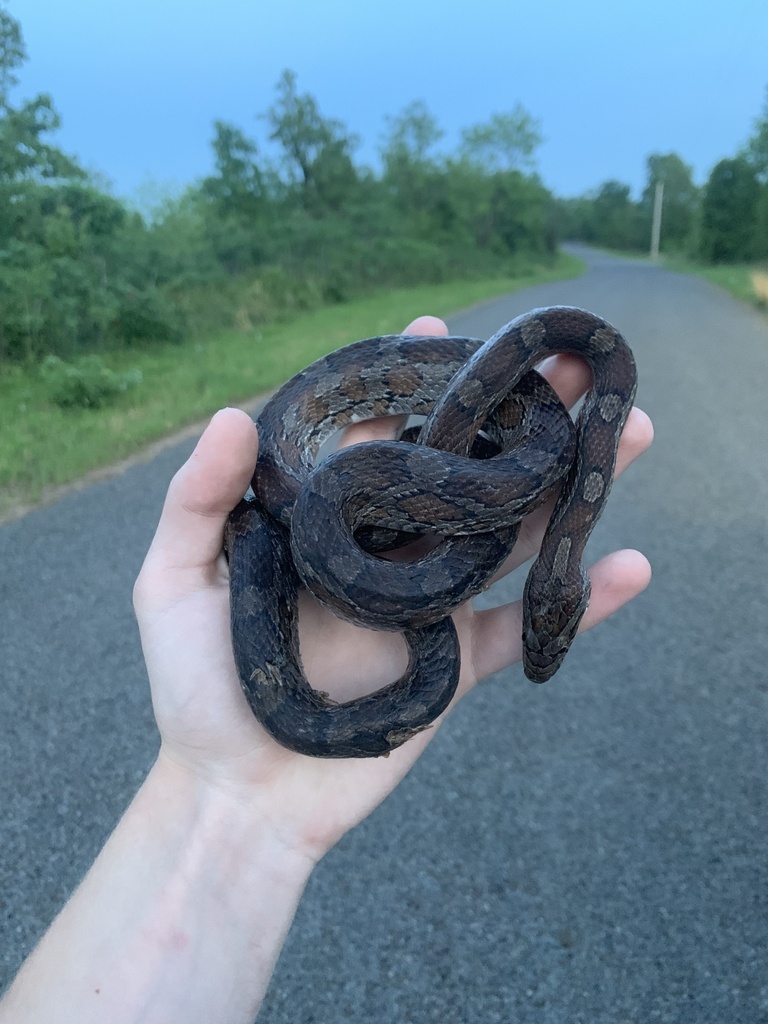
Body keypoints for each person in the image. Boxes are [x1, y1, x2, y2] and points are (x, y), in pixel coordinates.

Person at [0, 316, 653, 1023]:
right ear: (556, 596)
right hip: (368, 496)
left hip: (401, 491)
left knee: (301, 518)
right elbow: (328, 505)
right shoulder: (512, 467)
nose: (537, 645)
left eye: (540, 637)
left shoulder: (542, 447)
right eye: (540, 635)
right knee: (283, 514)